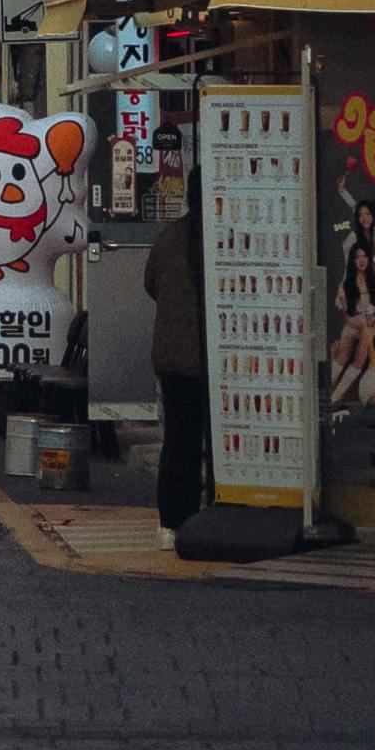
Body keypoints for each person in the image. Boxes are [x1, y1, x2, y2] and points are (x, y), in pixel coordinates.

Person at [145, 195, 211, 525]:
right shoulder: (217, 234)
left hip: (171, 355)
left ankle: (172, 521)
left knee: (178, 441)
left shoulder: (169, 236)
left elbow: (150, 283)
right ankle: (211, 511)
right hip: (207, 356)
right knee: (214, 440)